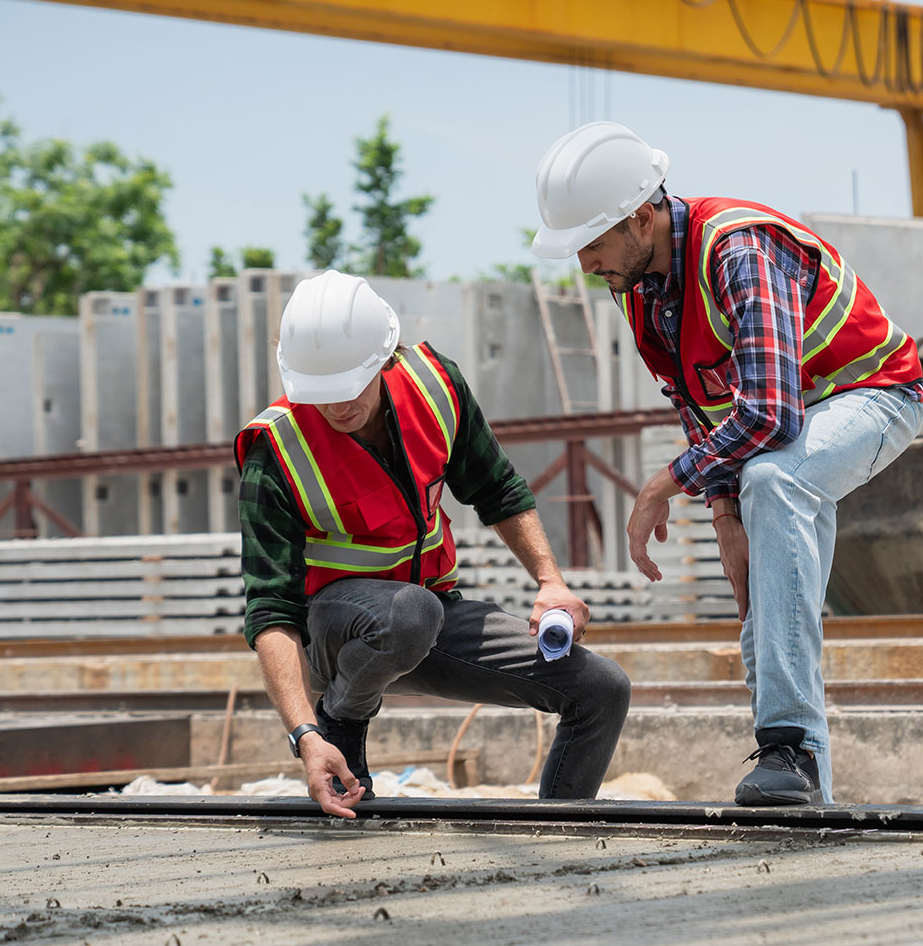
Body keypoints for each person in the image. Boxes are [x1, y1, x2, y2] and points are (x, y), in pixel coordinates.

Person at [531, 122, 923, 806]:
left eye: (591, 243)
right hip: (786, 426)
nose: (585, 264)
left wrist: (665, 483)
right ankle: (803, 793)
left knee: (776, 477)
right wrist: (721, 510)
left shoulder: (735, 248)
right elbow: (698, 398)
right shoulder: (639, 288)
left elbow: (770, 413)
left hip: (871, 393)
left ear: (641, 217)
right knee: (763, 583)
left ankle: (788, 746)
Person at [235, 269, 632, 817]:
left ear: (386, 358)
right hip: (330, 640)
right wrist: (306, 735)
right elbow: (271, 609)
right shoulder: (276, 448)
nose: (338, 407)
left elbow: (497, 489)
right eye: (323, 394)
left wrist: (551, 581)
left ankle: (559, 831)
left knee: (603, 690)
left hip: (427, 620)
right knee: (409, 612)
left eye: (352, 386)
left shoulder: (435, 387)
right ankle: (342, 723)